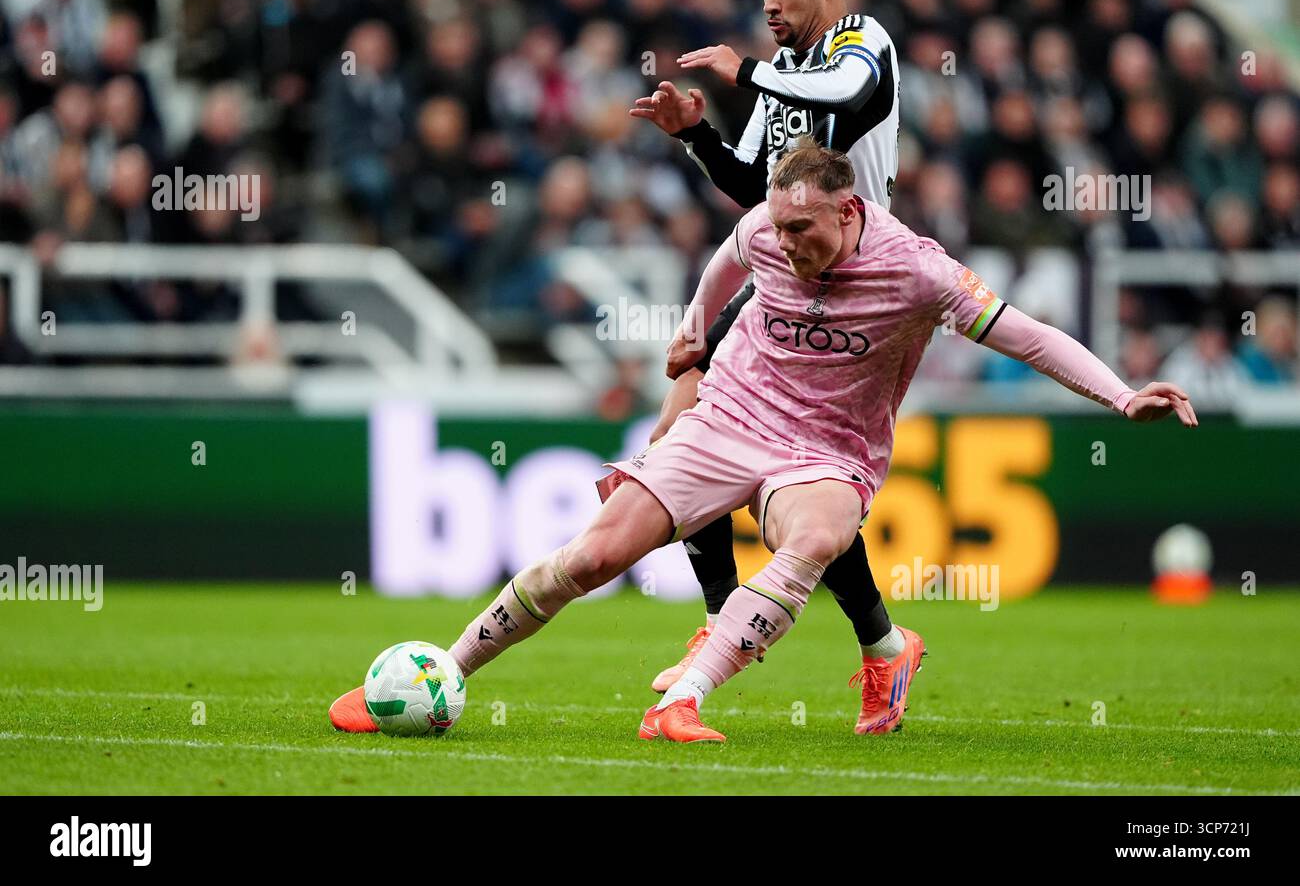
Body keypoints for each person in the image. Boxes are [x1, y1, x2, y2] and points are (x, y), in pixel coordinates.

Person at [329, 143, 1197, 742]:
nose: (787, 245)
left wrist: (1121, 397)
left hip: (826, 448)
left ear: (850, 212)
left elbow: (1028, 333)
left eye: (804, 231)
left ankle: (687, 699)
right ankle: (442, 671)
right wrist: (691, 349)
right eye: (778, 229)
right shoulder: (766, 233)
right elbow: (720, 268)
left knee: (819, 535)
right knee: (593, 558)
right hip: (731, 416)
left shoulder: (919, 270)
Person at [629, 0, 909, 722]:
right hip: (786, 281)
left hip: (859, 286)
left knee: (777, 474)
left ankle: (850, 640)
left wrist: (748, 71)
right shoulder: (785, 69)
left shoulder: (863, 43)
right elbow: (755, 185)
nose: (771, 6)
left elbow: (849, 94)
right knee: (683, 438)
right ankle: (867, 643)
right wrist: (696, 135)